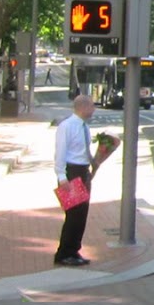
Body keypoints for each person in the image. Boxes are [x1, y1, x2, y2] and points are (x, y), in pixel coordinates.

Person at [53, 93, 97, 266]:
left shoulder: (84, 127)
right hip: (71, 171)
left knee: (81, 215)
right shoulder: (67, 126)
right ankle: (64, 253)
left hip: (83, 170)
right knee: (73, 215)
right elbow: (60, 152)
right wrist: (61, 176)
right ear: (83, 107)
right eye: (92, 106)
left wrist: (92, 165)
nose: (94, 109)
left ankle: (74, 249)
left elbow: (83, 151)